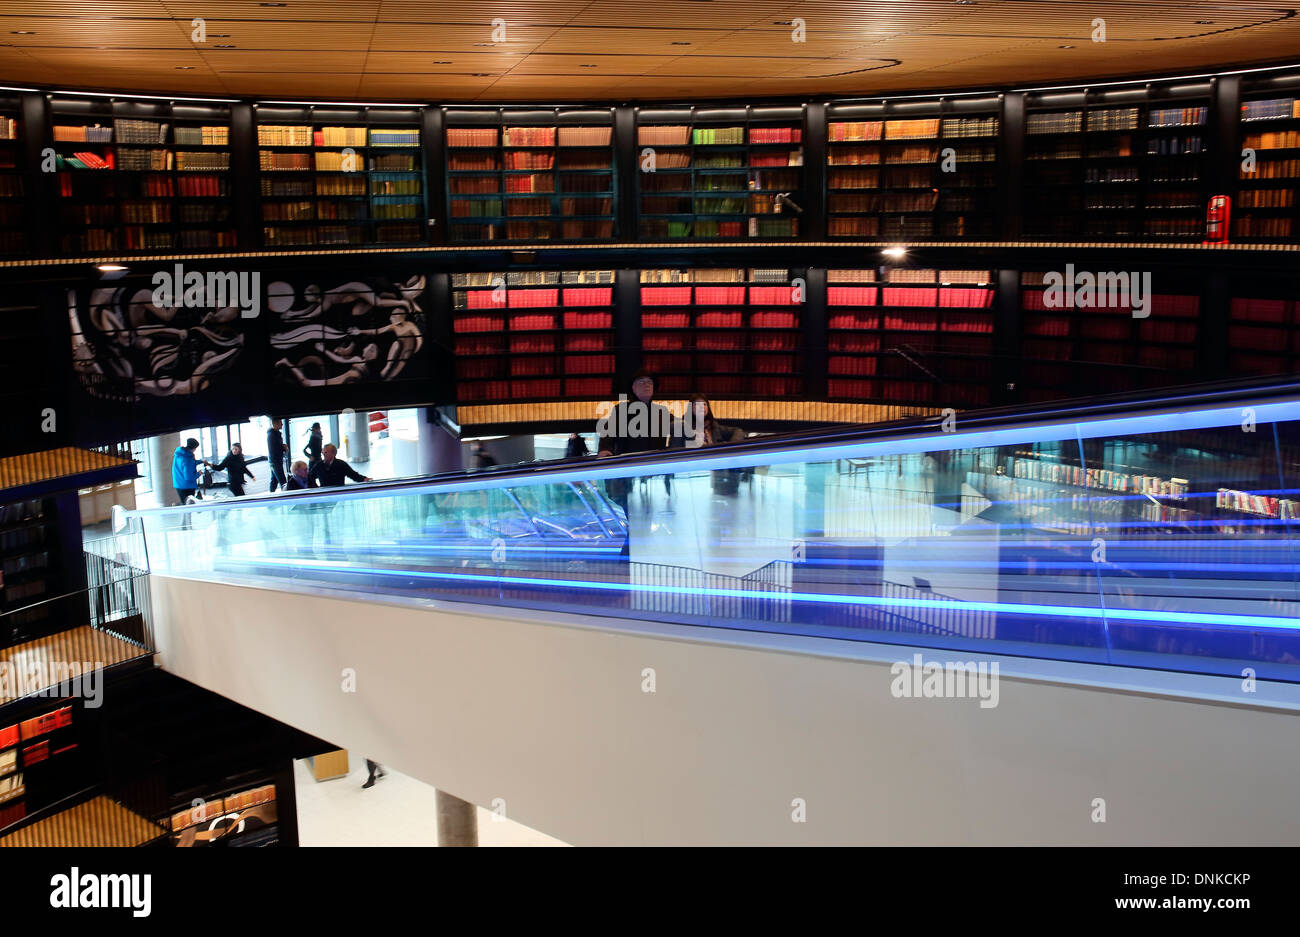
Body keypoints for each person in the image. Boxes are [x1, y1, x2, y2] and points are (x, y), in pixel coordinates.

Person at [672, 394, 747, 495]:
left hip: (717, 475)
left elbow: (739, 431)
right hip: (692, 476)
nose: (701, 407)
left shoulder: (714, 427)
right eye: (697, 404)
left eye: (704, 404)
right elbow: (675, 452)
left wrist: (730, 446)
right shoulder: (681, 428)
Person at [171, 437, 210, 506]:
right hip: (187, 486)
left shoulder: (180, 454)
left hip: (179, 483)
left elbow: (190, 463)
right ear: (194, 448)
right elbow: (189, 477)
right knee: (188, 506)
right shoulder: (187, 459)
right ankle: (179, 506)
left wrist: (200, 461)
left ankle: (180, 505)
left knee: (185, 503)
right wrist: (198, 474)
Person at [266, 419, 287, 492]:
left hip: (275, 460)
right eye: (280, 423)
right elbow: (274, 449)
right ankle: (286, 496)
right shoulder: (272, 435)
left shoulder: (275, 433)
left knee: (274, 480)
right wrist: (283, 448)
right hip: (275, 461)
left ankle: (271, 494)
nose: (282, 425)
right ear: (275, 424)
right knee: (282, 481)